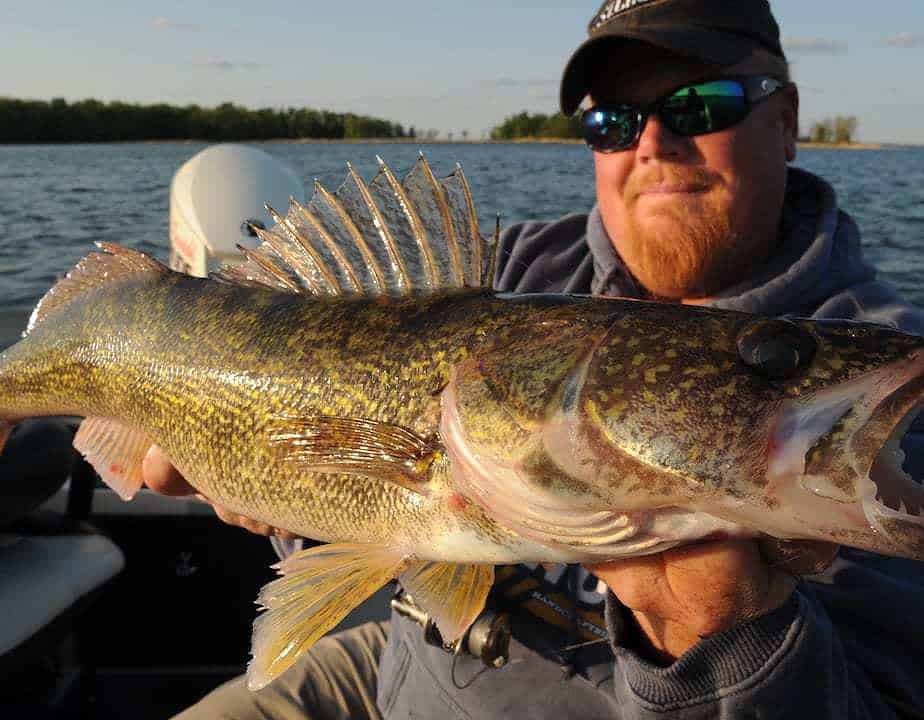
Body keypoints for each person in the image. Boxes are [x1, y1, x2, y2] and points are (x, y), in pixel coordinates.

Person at [145, 0, 924, 717]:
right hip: (396, 673)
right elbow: (367, 506)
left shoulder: (883, 384)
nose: (653, 143)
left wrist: (728, 643)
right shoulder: (511, 271)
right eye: (613, 121)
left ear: (785, 121)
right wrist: (283, 504)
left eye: (702, 105)